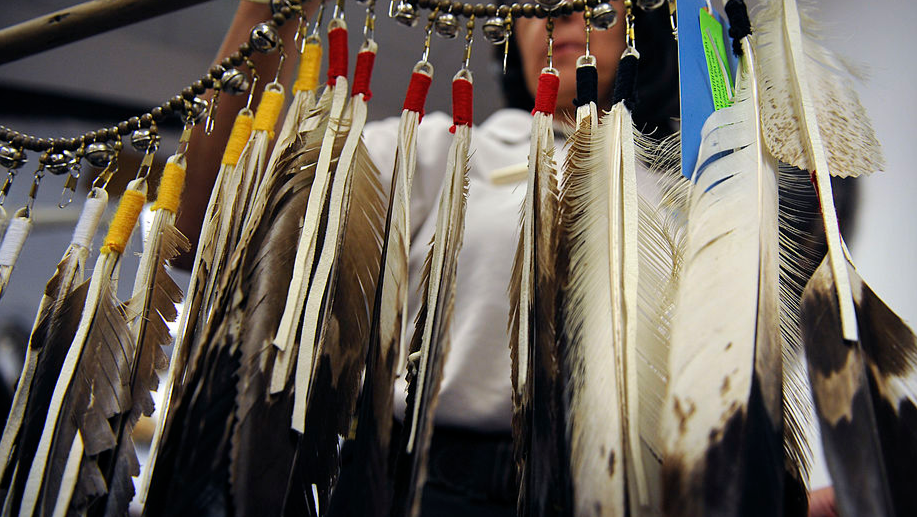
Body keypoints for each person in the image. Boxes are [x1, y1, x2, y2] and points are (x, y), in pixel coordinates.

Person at [177, 1, 838, 516]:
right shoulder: (435, 152)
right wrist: (265, 10)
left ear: (638, 23)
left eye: (590, 0)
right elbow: (204, 222)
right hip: (421, 483)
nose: (562, 13)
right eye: (538, 2)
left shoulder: (687, 199)